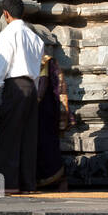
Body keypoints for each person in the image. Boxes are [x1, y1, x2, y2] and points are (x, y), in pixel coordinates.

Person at [0, 0, 46, 194]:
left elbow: (1, 65)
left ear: (6, 14)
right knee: (28, 137)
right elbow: (38, 68)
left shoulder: (8, 33)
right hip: (31, 87)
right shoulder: (35, 37)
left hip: (15, 86)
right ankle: (27, 183)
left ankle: (6, 184)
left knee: (9, 136)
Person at [36, 44, 73, 191]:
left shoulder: (44, 60)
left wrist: (36, 101)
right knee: (45, 144)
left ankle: (60, 178)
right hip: (47, 107)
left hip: (44, 107)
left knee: (46, 144)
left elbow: (43, 82)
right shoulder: (45, 60)